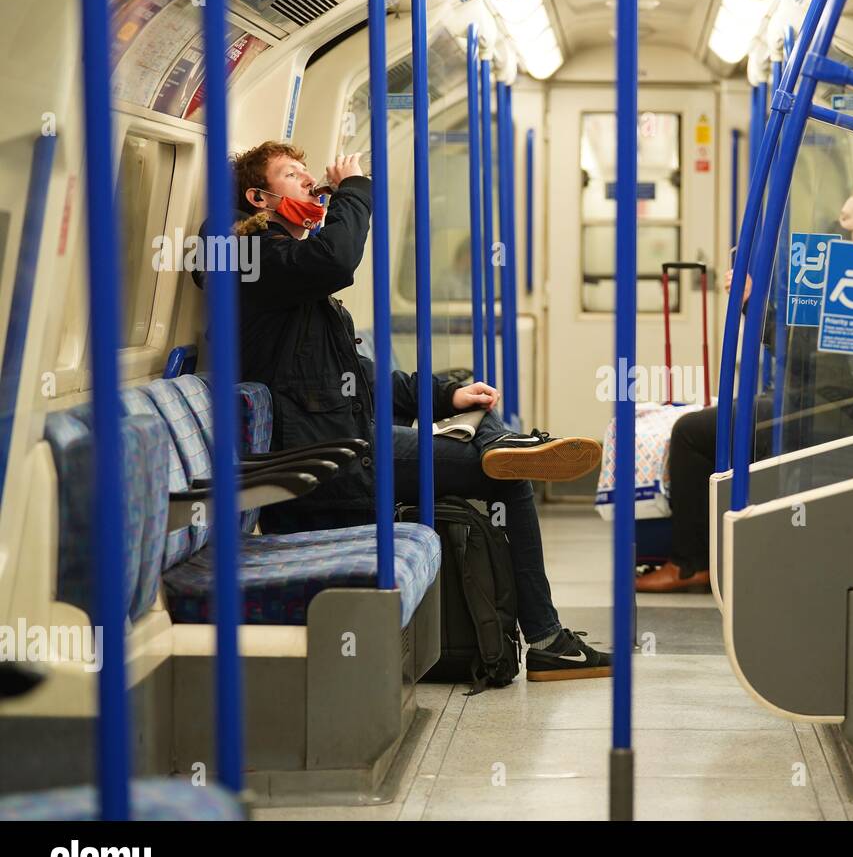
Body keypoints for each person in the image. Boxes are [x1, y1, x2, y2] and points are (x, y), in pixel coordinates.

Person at [213, 140, 611, 681]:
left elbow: (359, 375)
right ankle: (545, 636)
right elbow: (337, 257)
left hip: (346, 435)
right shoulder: (254, 259)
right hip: (328, 456)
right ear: (259, 198)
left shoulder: (294, 272)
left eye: (310, 174)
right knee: (509, 479)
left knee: (477, 419)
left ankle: (502, 444)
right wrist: (355, 189)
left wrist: (445, 396)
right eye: (292, 175)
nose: (309, 182)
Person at [636, 189, 853, 592]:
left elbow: (816, 359)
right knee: (718, 422)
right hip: (842, 406)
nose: (836, 227)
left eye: (845, 221)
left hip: (841, 415)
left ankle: (690, 563)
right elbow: (820, 352)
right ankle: (711, 550)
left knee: (691, 433)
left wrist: (753, 305)